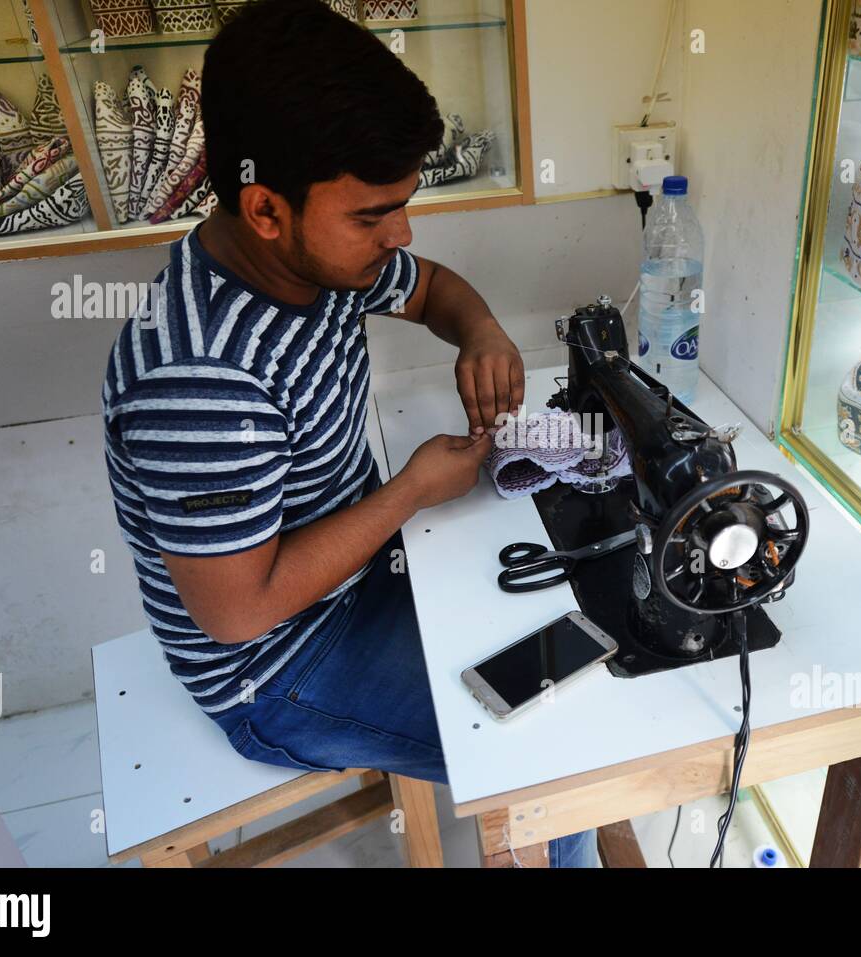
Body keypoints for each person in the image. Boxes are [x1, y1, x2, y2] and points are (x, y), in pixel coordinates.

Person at [99, 0, 596, 868]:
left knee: (576, 633)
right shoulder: (200, 377)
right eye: (373, 215)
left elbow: (432, 285)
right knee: (564, 737)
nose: (398, 234)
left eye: (403, 204)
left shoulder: (317, 264)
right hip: (281, 668)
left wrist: (479, 331)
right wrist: (409, 491)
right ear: (265, 208)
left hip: (360, 578)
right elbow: (237, 610)